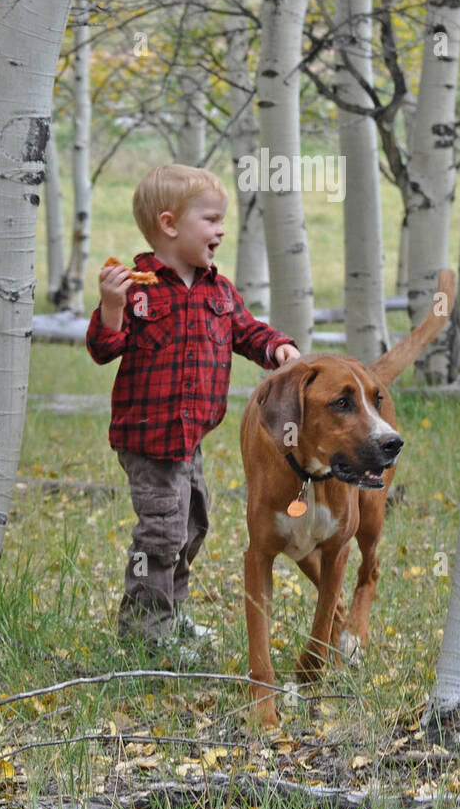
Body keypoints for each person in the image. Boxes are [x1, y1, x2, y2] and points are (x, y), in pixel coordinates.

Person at [86, 164, 300, 649]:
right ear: (169, 225)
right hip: (149, 439)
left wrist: (278, 349)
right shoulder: (138, 291)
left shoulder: (219, 292)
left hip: (190, 440)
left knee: (192, 523)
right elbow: (103, 349)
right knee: (161, 533)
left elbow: (247, 332)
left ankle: (171, 614)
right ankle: (144, 631)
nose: (221, 229)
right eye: (210, 219)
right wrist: (111, 307)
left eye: (222, 220)